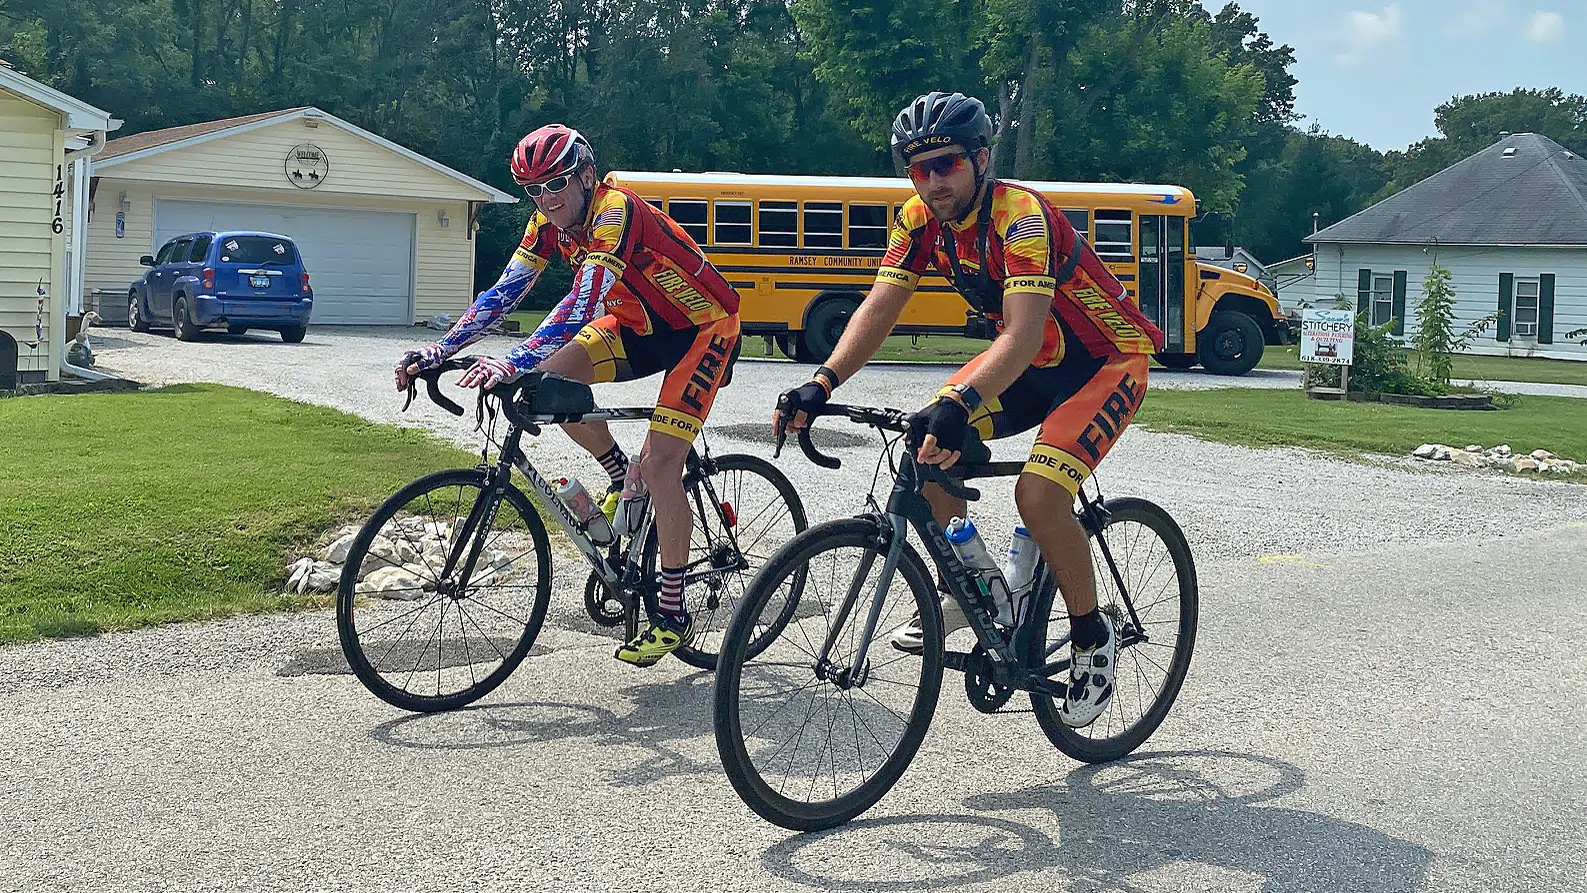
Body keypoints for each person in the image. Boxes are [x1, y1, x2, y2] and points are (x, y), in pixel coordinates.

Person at [774, 92, 1165, 727]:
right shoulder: (917, 218)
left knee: (1039, 498)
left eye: (946, 165)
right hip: (1032, 365)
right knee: (924, 450)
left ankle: (1094, 638)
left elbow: (1021, 333)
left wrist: (959, 399)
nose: (931, 182)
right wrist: (823, 381)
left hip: (1105, 362)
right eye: (917, 168)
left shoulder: (1023, 218)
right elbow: (879, 305)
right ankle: (984, 588)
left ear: (981, 160)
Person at [397, 124, 742, 666]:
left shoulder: (614, 211)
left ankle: (672, 613)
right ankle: (615, 472)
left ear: (585, 176)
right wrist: (438, 352)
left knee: (662, 467)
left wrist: (509, 358)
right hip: (635, 325)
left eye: (557, 183)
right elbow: (504, 294)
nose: (548, 198)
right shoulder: (547, 224)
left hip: (703, 328)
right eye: (535, 190)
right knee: (548, 389)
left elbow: (582, 303)